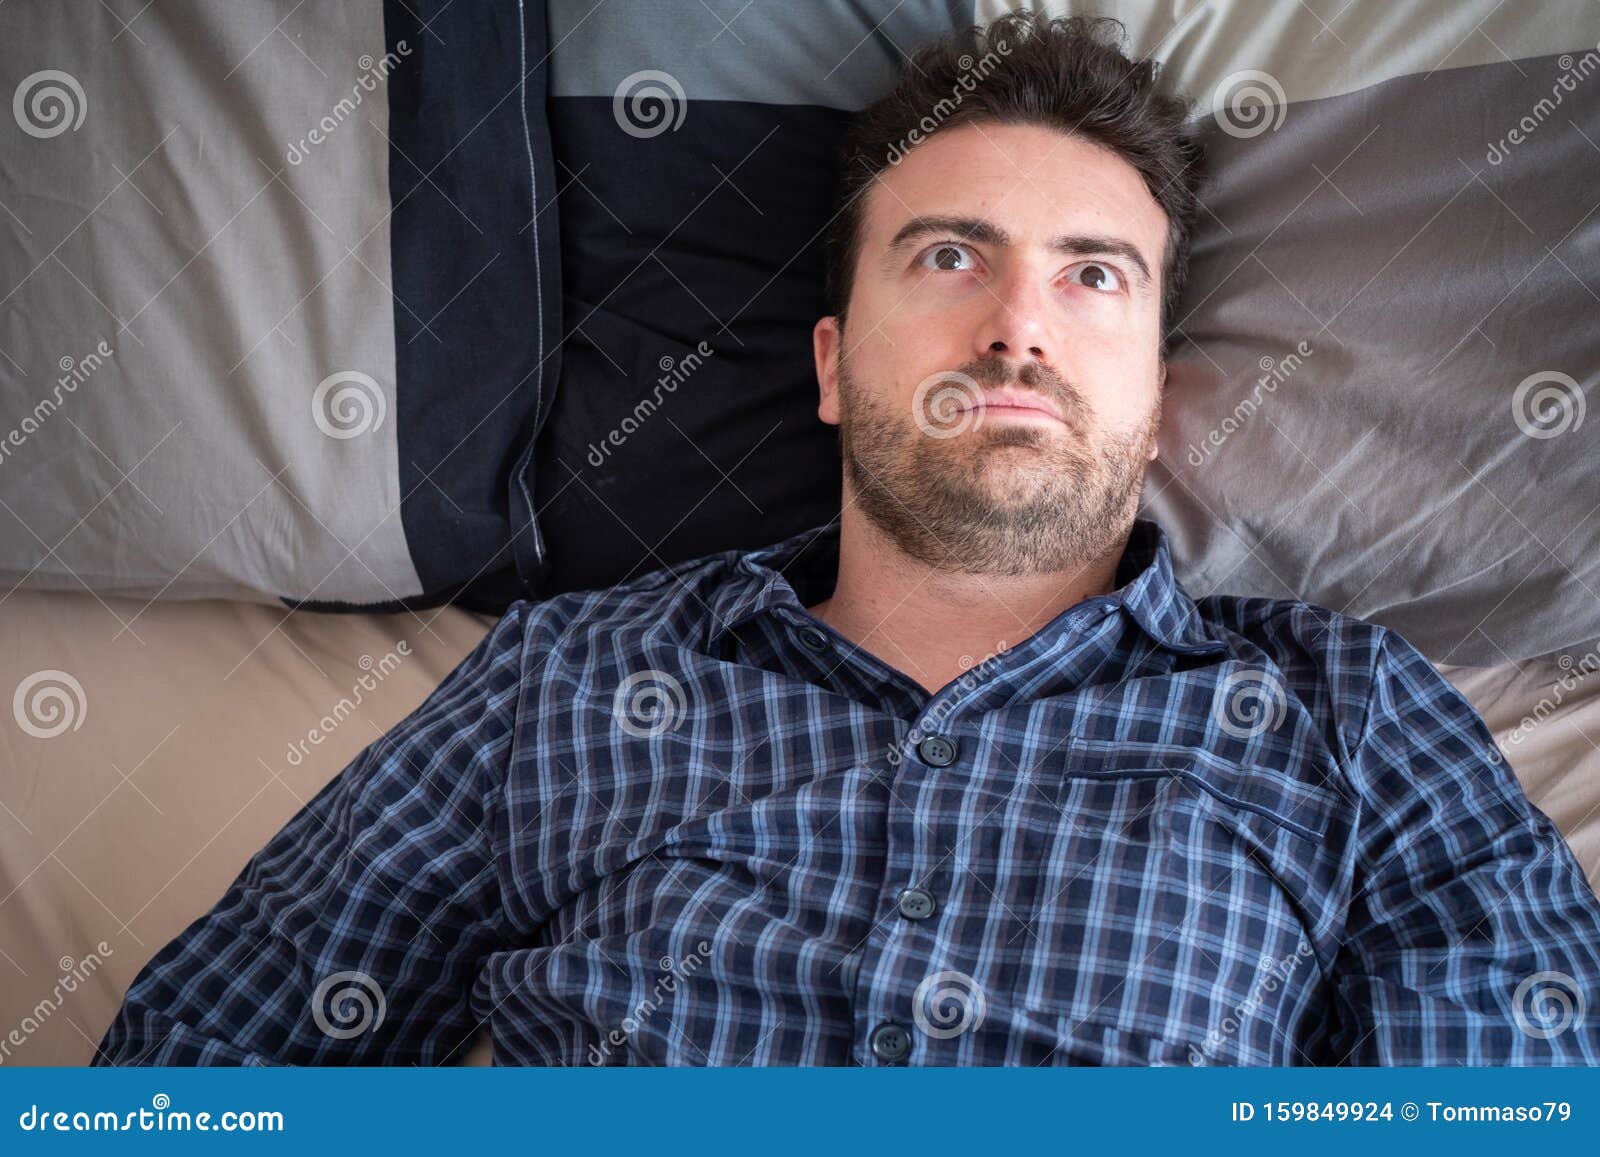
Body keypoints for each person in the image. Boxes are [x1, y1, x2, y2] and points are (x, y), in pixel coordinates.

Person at [96, 11, 1600, 1067]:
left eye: (1093, 276)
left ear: (1156, 403)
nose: (1017, 328)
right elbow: (199, 1074)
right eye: (949, 256)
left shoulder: (1349, 717)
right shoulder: (563, 684)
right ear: (830, 365)